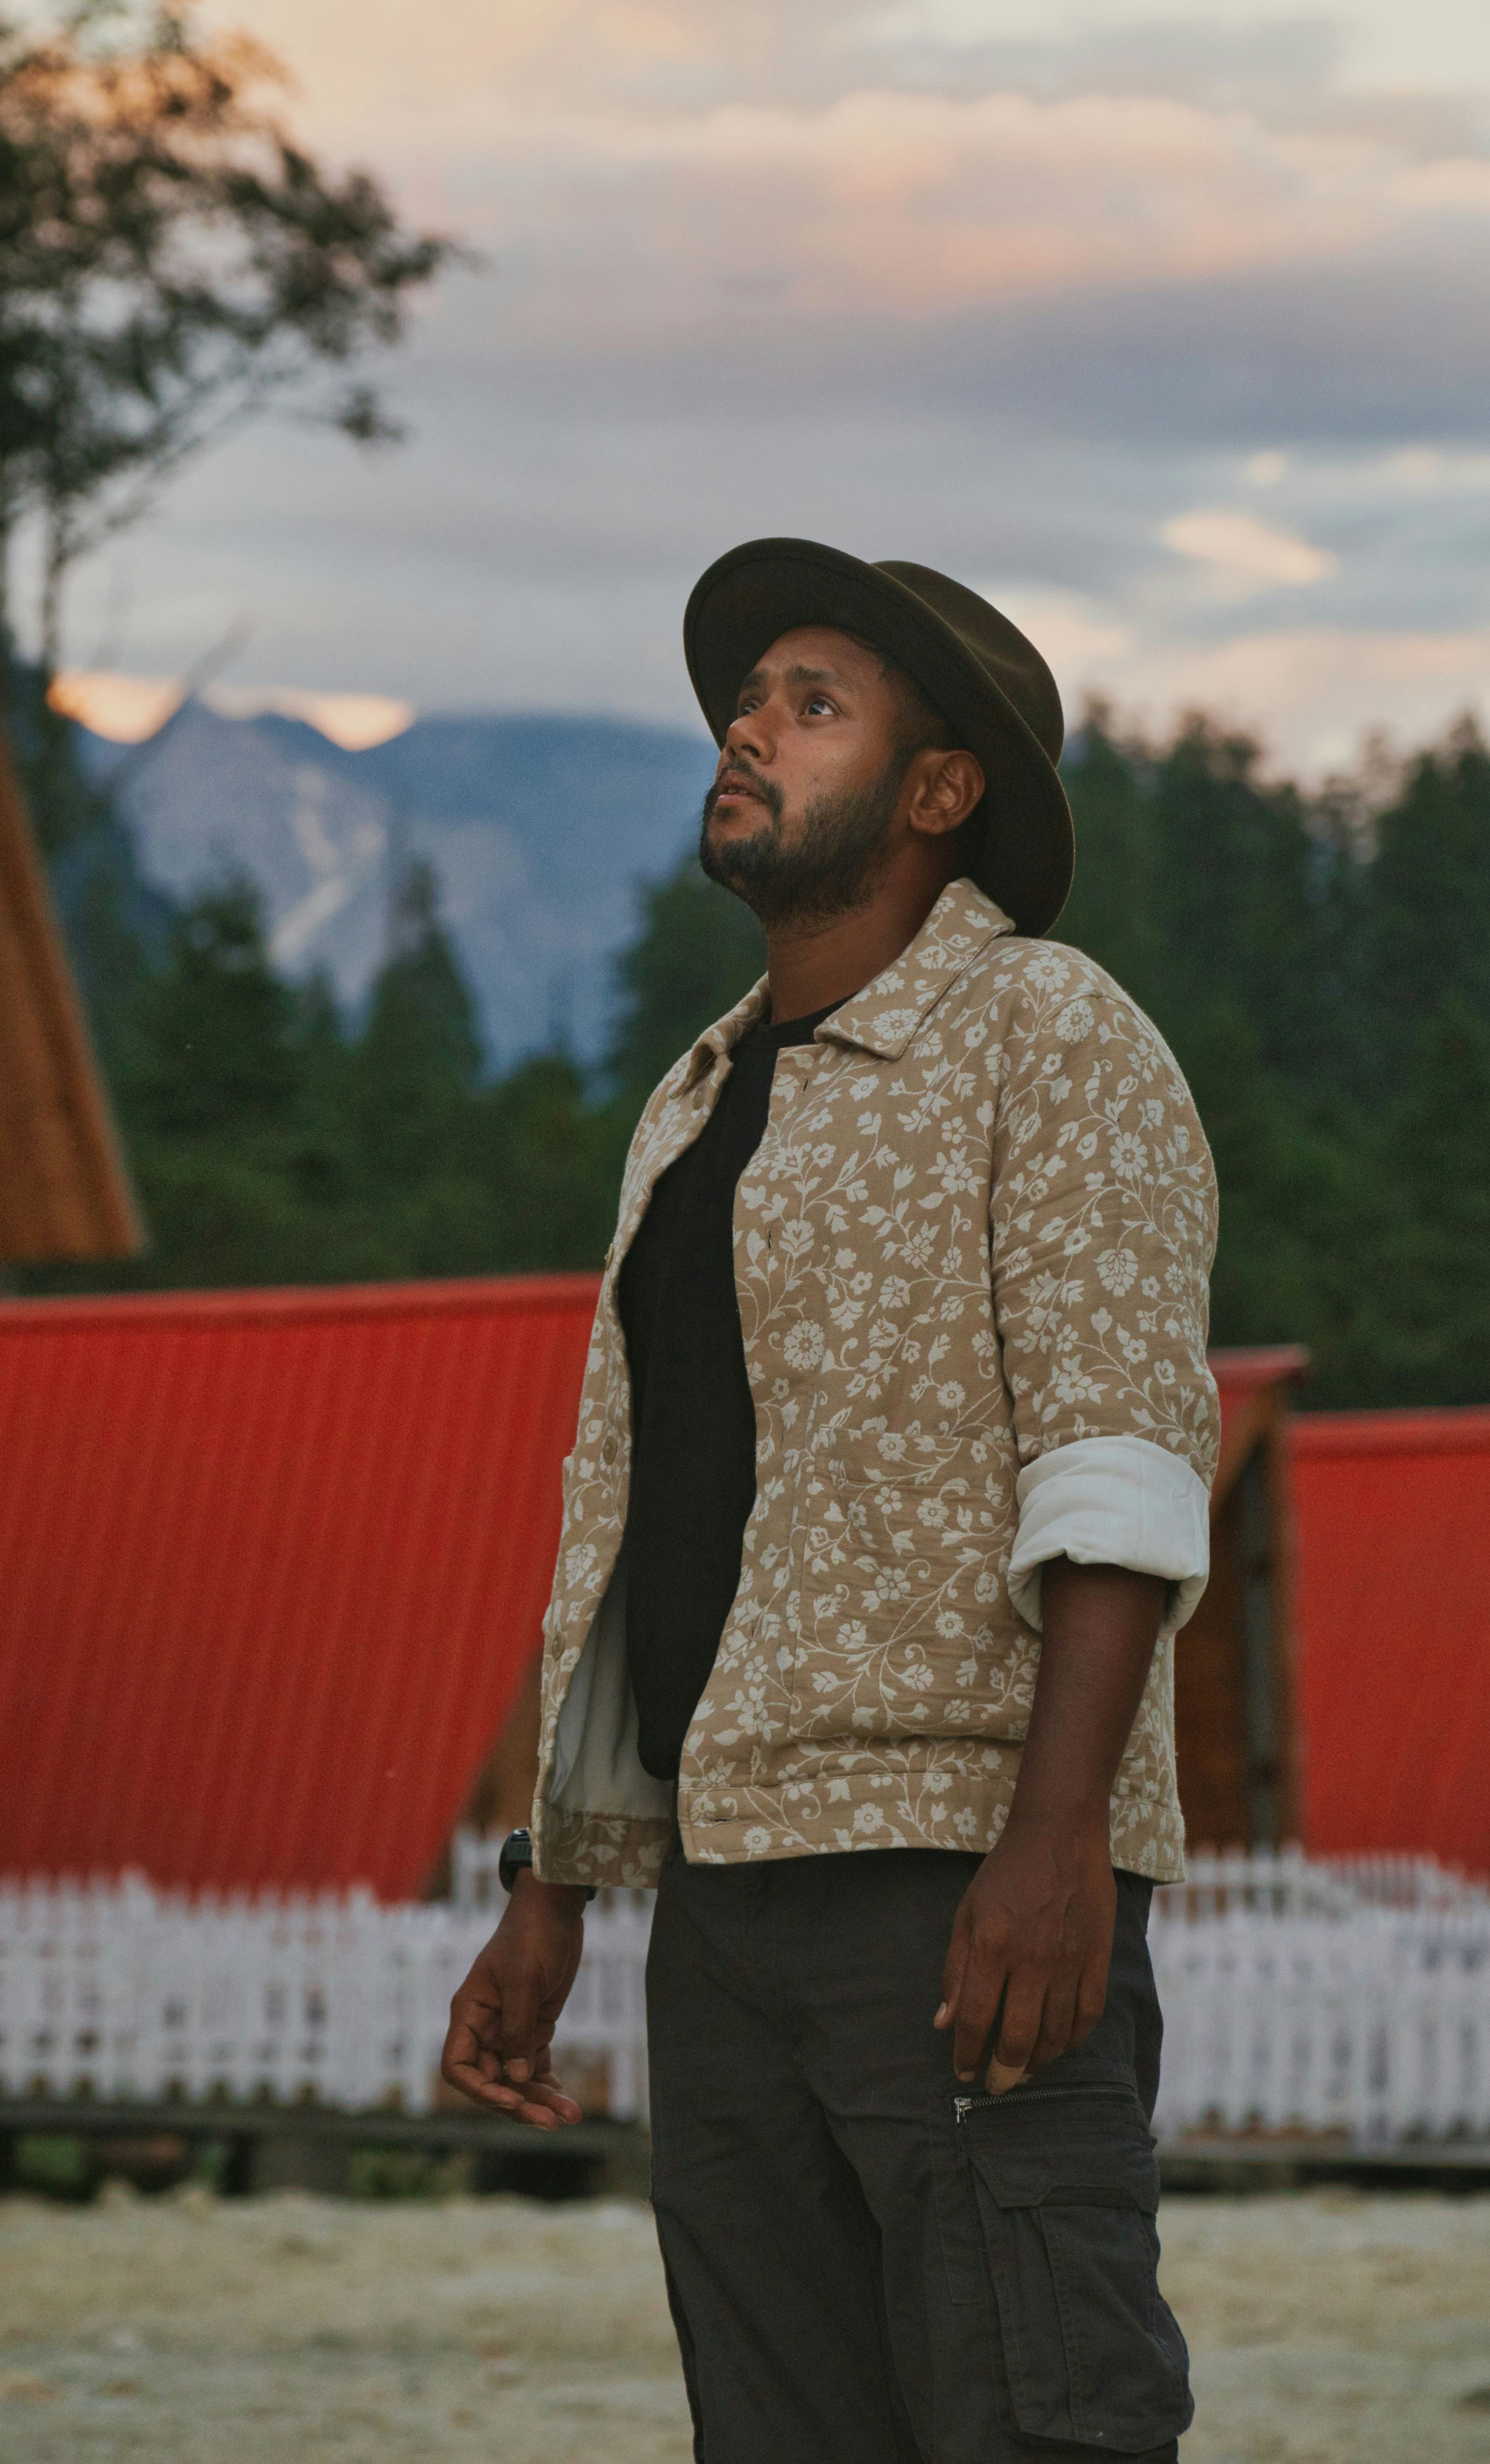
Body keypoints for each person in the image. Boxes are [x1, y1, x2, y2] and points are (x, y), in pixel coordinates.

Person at [443, 539, 1218, 2463]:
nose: (748, 726)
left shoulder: (1051, 1035)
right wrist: (552, 1893)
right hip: (720, 1896)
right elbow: (636, 1514)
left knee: (1034, 2413)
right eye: (747, 697)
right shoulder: (695, 1104)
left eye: (813, 703)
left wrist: (1056, 1850)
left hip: (960, 1879)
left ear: (937, 793)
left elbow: (1118, 1454)